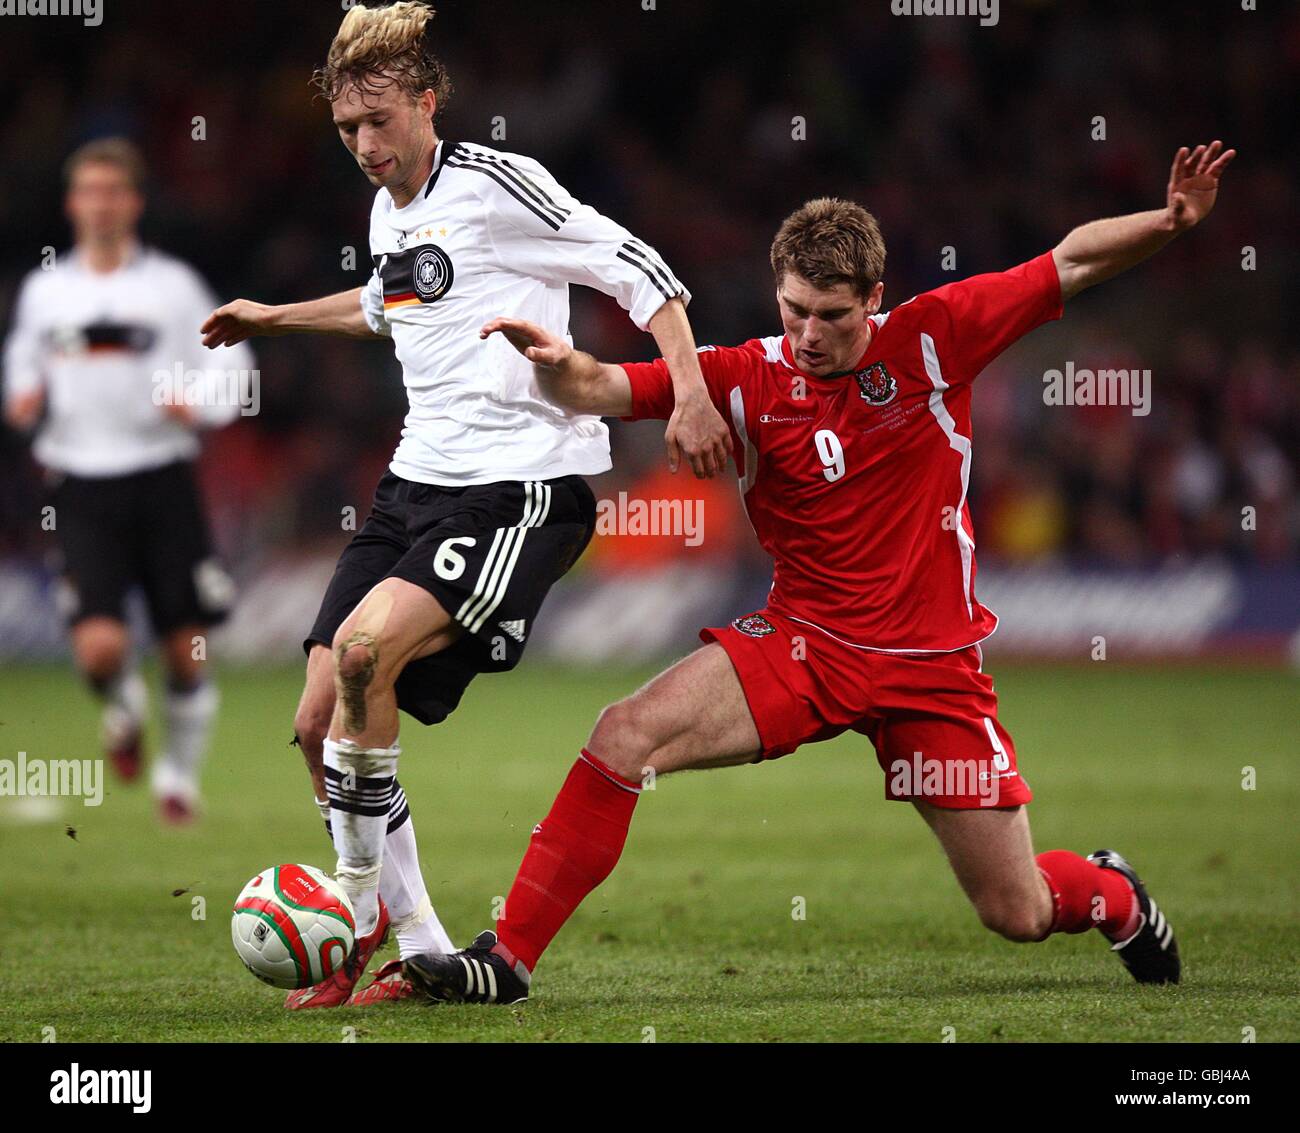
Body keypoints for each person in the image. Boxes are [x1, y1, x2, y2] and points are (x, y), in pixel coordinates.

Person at [401, 141, 1236, 1003]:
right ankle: (505, 961)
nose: (808, 334)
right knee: (624, 733)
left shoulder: (936, 337)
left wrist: (1169, 223)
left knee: (1016, 909)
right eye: (794, 309)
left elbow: (1071, 260)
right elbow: (605, 385)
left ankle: (1112, 894)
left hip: (931, 668)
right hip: (803, 645)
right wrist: (558, 366)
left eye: (832, 314)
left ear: (874, 299)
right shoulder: (744, 376)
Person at [199, 1, 729, 1008]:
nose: (363, 144)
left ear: (427, 102)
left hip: (518, 488)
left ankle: (355, 908)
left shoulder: (496, 185)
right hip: (413, 488)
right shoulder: (386, 210)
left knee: (363, 657)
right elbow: (385, 304)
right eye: (347, 129)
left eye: (379, 121)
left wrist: (689, 393)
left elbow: (639, 268)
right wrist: (275, 316)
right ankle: (417, 941)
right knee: (318, 722)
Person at [2, 137, 250, 824]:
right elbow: (23, 358)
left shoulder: (170, 287)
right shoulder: (48, 290)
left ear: (134, 202)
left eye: (114, 191)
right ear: (71, 203)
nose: (101, 203)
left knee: (186, 646)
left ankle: (177, 775)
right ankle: (123, 704)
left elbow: (229, 357)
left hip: (163, 477)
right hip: (80, 483)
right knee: (99, 647)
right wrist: (22, 393)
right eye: (89, 191)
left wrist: (198, 403)